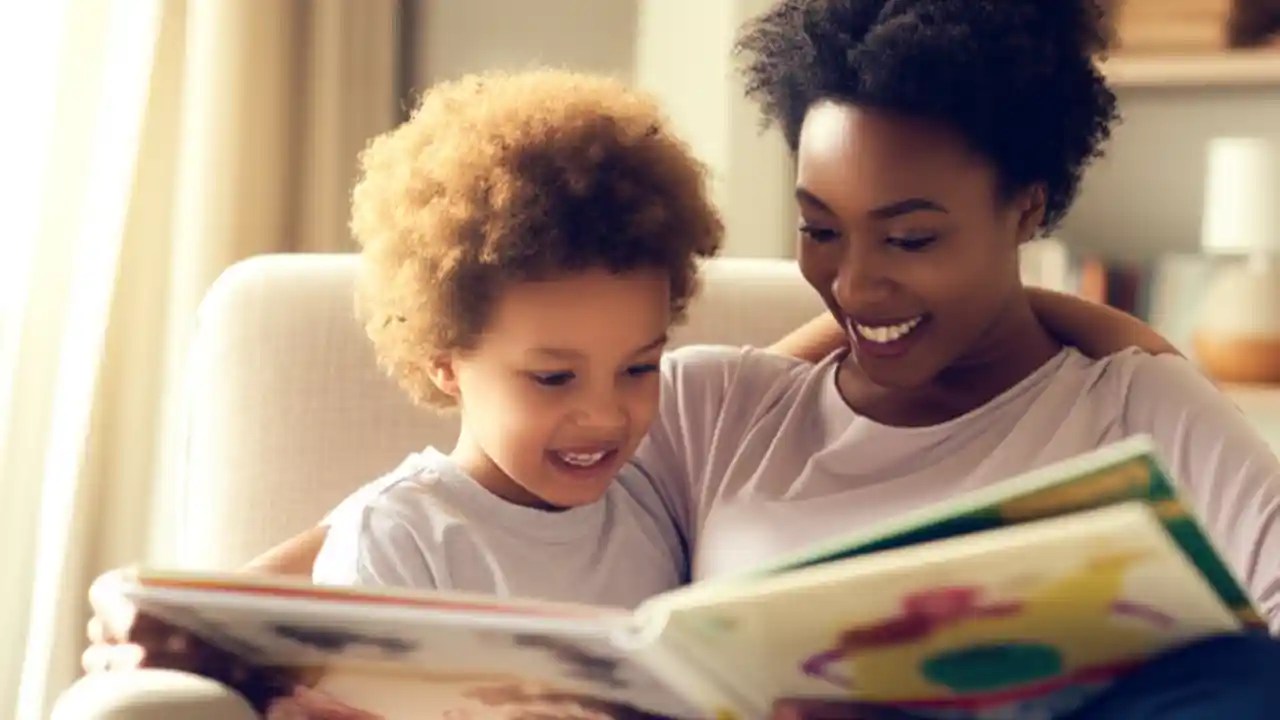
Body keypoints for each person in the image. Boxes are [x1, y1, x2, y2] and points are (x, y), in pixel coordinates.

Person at [85, 1, 1278, 716]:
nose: (855, 287)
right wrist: (196, 612)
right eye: (817, 230)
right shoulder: (703, 405)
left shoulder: (1137, 406)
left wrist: (1121, 341)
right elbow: (450, 507)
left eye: (910, 238)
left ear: (1025, 208)